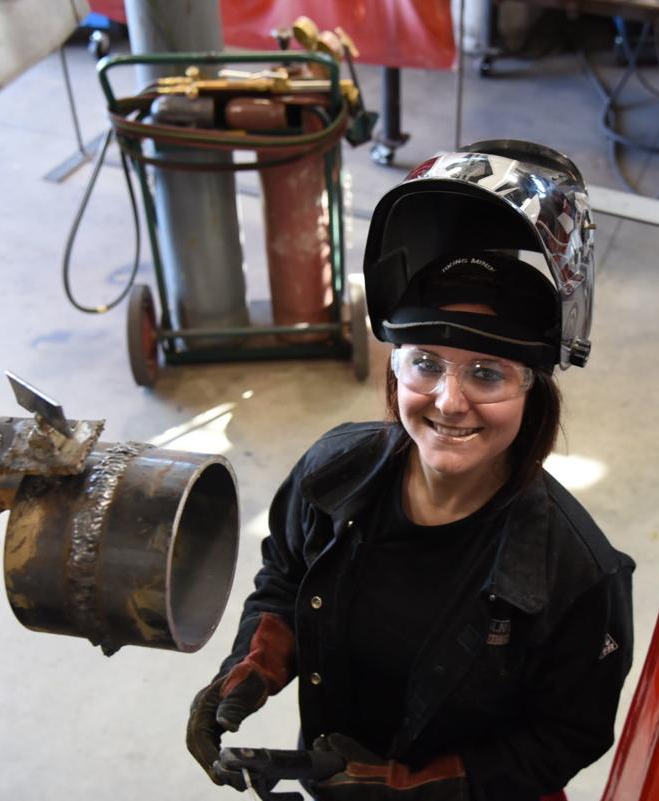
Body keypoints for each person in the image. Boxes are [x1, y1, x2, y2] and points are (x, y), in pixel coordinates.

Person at [186, 140, 635, 801]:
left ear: (533, 390)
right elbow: (286, 579)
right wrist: (253, 665)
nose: (449, 402)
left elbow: (566, 735)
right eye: (425, 362)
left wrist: (412, 788)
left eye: (487, 373)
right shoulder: (331, 474)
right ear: (395, 369)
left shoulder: (578, 575)